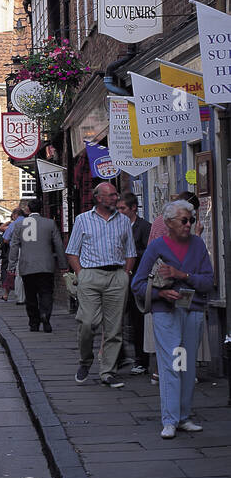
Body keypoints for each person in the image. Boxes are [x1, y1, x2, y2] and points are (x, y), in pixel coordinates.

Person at [131, 199, 213, 439]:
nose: (188, 225)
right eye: (184, 220)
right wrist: (161, 293)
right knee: (170, 366)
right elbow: (137, 284)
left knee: (187, 365)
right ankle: (169, 419)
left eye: (191, 220)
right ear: (168, 223)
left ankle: (184, 417)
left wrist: (183, 275)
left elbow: (208, 281)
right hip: (166, 312)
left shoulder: (197, 245)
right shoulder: (157, 247)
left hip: (193, 310)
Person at [65, 181, 136, 389]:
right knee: (87, 323)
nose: (116, 199)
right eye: (112, 195)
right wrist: (81, 274)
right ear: (99, 198)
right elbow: (72, 251)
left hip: (117, 275)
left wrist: (126, 274)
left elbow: (130, 251)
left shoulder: (123, 221)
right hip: (90, 275)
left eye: (117, 195)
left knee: (114, 329)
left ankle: (107, 371)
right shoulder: (83, 220)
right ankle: (85, 361)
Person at [8, 198, 67, 332]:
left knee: (30, 295)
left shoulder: (19, 225)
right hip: (46, 265)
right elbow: (58, 245)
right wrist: (63, 265)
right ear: (41, 209)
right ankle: (45, 314)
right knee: (46, 292)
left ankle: (33, 323)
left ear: (28, 209)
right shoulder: (50, 223)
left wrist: (11, 266)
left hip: (27, 265)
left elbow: (14, 247)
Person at [118, 191, 152, 377]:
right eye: (118, 208)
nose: (119, 212)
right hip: (117, 280)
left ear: (133, 208)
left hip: (136, 281)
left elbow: (149, 253)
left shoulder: (144, 227)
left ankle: (141, 361)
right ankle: (119, 355)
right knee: (113, 320)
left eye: (122, 208)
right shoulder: (115, 227)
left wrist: (129, 254)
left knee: (137, 322)